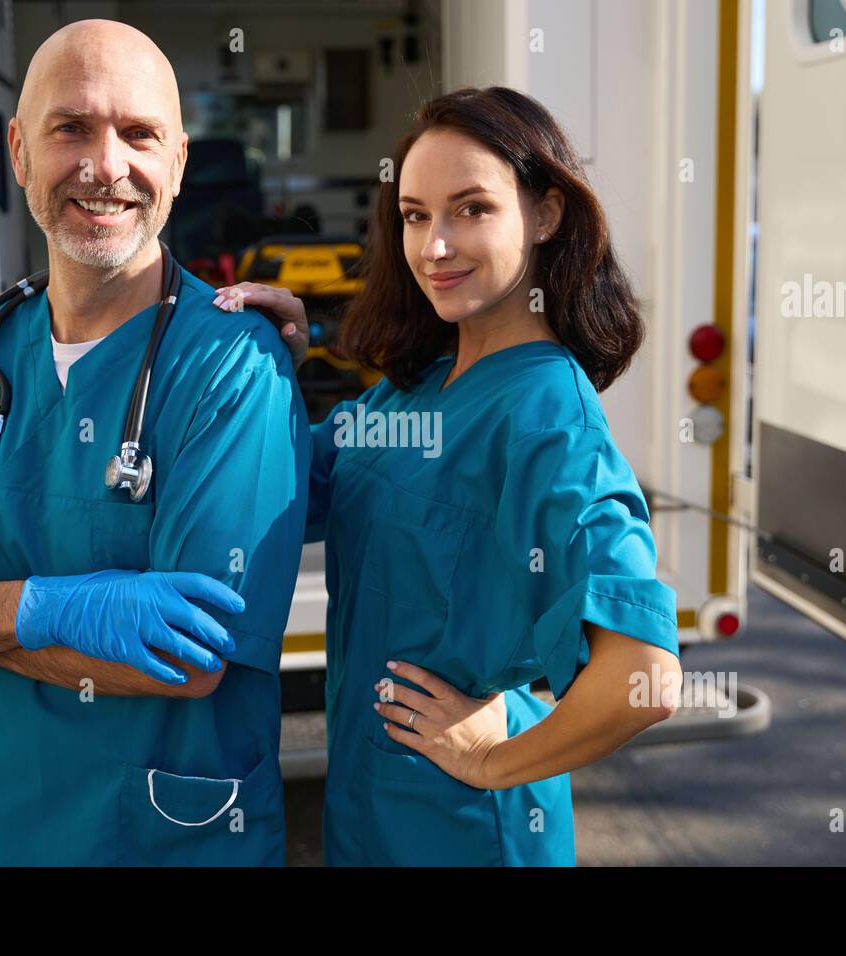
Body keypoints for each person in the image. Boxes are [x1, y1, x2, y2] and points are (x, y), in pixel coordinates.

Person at [0, 20, 311, 866]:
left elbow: (185, 660)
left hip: (165, 840)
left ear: (180, 164)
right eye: (72, 128)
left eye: (140, 134)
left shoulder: (232, 365)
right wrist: (46, 607)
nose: (107, 166)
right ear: (18, 150)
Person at [217, 86, 684, 866]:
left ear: (546, 214)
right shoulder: (420, 383)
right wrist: (266, 367)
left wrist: (492, 759)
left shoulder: (545, 416)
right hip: (369, 814)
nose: (436, 245)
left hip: (471, 831)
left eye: (472, 209)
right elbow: (287, 486)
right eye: (415, 214)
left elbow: (644, 676)